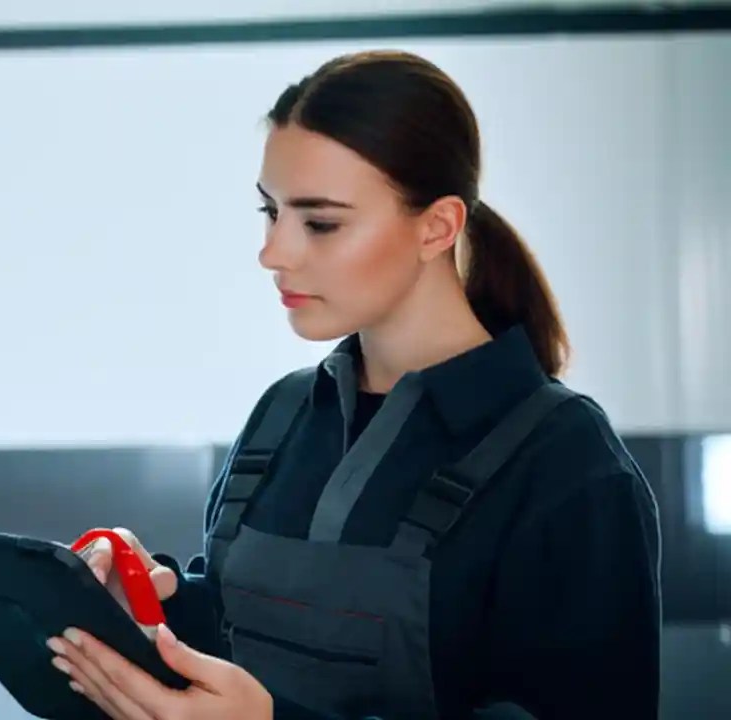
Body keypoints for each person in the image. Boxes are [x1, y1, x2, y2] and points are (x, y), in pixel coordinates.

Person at [44, 50, 662, 720]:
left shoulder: (568, 466)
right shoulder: (284, 414)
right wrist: (147, 603)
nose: (273, 252)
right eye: (270, 212)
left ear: (437, 227)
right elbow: (244, 639)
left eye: (321, 222)